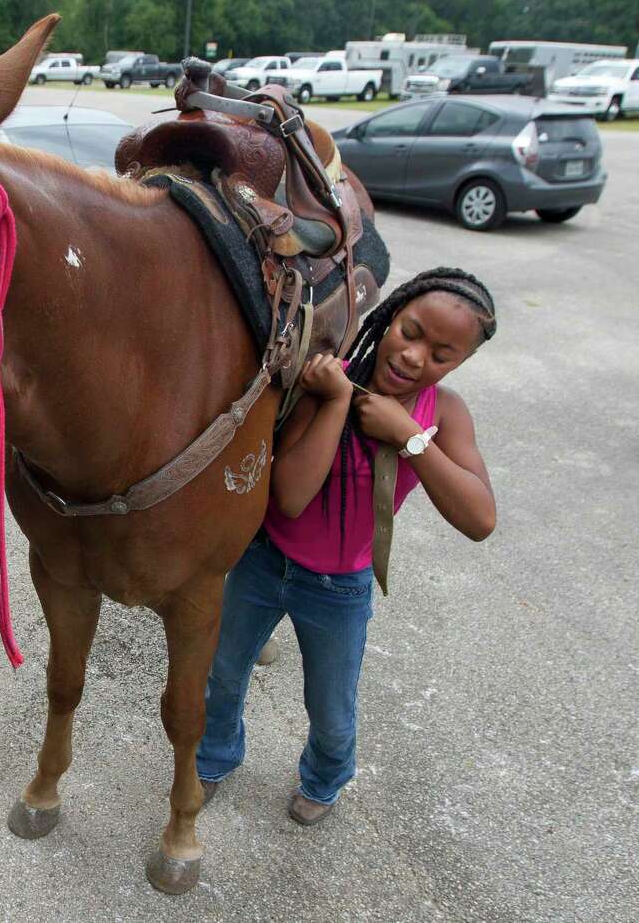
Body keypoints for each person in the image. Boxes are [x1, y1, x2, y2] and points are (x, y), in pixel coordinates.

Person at [196, 268, 498, 825]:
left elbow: (480, 518)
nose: (414, 357)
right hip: (266, 560)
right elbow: (288, 497)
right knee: (223, 672)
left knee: (331, 708)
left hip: (340, 588)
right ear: (391, 317)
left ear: (459, 364)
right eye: (410, 332)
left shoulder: (444, 415)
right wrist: (336, 402)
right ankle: (214, 755)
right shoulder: (329, 379)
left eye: (441, 354)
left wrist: (409, 437)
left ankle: (327, 774)